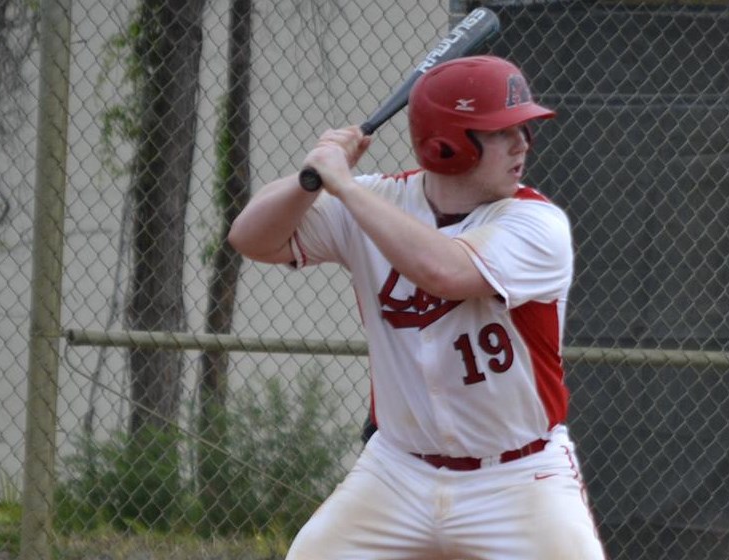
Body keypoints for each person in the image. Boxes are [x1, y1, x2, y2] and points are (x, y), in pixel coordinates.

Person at [228, 55, 606, 560]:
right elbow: (250, 238)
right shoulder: (376, 200)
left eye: (524, 129)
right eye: (501, 132)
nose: (523, 145)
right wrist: (309, 178)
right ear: (444, 146)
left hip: (518, 479)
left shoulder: (537, 225)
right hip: (398, 471)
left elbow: (443, 272)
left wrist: (342, 185)